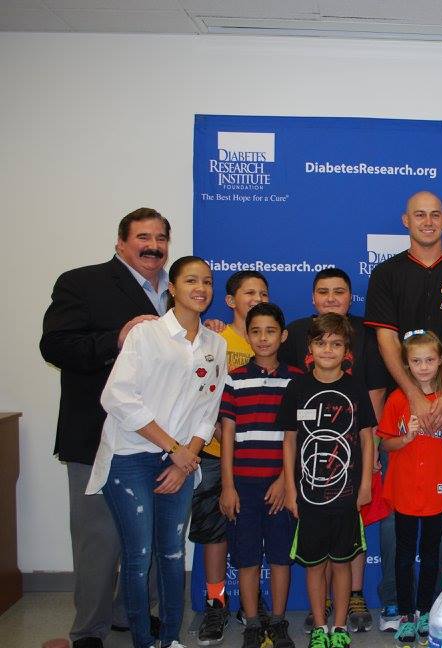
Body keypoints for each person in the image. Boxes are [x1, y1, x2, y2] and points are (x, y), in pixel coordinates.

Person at [40, 207, 171, 648]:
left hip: (157, 438)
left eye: (160, 238)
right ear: (121, 242)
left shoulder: (176, 292)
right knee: (99, 538)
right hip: (97, 435)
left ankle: (130, 615)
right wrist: (117, 337)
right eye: (143, 237)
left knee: (151, 534)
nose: (153, 246)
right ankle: (89, 630)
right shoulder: (82, 282)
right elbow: (56, 345)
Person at [86, 255, 227, 648]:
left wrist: (185, 460)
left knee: (171, 553)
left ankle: (170, 638)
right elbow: (116, 397)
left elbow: (208, 411)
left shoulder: (215, 344)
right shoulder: (145, 334)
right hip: (130, 457)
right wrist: (174, 448)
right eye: (191, 280)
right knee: (139, 554)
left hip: (180, 462)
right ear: (173, 288)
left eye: (207, 281)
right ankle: (143, 641)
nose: (201, 288)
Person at [365, 190, 442, 595]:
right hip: (402, 404)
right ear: (406, 221)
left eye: (435, 215)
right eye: (419, 215)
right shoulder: (386, 273)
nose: (428, 222)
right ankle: (395, 600)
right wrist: (414, 395)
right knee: (395, 510)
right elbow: (386, 340)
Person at [279, 266, 389, 634]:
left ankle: (343, 618)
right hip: (309, 488)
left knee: (346, 552)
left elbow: (368, 428)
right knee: (316, 560)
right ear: (309, 348)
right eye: (323, 291)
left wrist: (367, 478)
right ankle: (321, 617)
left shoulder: (361, 360)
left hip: (347, 483)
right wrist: (290, 486)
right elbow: (290, 438)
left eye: (339, 291)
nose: (329, 349)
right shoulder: (297, 374)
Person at [219, 302, 301, 648]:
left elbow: (296, 437)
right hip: (243, 486)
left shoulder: (296, 379)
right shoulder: (234, 378)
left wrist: (285, 480)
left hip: (280, 485)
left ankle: (278, 622)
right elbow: (227, 434)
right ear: (247, 336)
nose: (263, 338)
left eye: (270, 331)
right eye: (255, 331)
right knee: (247, 558)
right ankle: (252, 623)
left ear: (283, 336)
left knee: (281, 557)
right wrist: (227, 486)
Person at [195, 270, 270, 645]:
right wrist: (210, 431)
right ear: (230, 301)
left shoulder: (270, 341)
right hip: (214, 453)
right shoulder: (214, 337)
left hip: (258, 458)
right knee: (215, 532)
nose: (257, 298)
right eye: (249, 292)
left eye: (263, 293)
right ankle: (216, 602)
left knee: (256, 532)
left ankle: (251, 604)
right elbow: (199, 391)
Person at [377, 330, 442, 648]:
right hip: (405, 488)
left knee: (432, 554)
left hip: (437, 489)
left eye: (429, 360)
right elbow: (385, 443)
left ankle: (425, 611)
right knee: (405, 554)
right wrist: (406, 438)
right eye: (416, 361)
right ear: (407, 364)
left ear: (440, 361)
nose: (423, 367)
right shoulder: (397, 399)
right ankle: (406, 614)